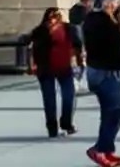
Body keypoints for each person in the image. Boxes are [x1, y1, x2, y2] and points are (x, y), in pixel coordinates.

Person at [83, 0, 120, 167]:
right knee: (119, 107)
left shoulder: (101, 20)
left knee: (111, 111)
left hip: (107, 72)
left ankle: (105, 150)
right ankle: (100, 149)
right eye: (115, 3)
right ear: (108, 3)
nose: (117, 6)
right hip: (104, 73)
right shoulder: (99, 21)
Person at [26, 7, 82, 138]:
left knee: (69, 96)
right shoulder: (40, 31)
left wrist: (79, 61)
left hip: (65, 67)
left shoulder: (69, 29)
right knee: (49, 99)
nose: (52, 20)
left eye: (55, 16)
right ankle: (52, 128)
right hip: (45, 69)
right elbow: (27, 42)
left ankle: (66, 124)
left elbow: (78, 45)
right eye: (50, 17)